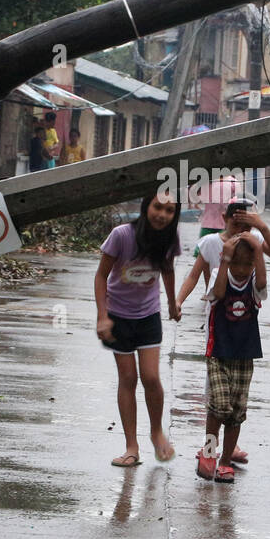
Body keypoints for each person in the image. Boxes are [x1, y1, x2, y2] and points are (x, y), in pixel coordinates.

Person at [175, 197, 270, 465]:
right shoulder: (213, 245)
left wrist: (260, 232)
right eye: (235, 218)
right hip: (217, 324)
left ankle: (225, 451)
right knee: (217, 400)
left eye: (245, 219)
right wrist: (178, 301)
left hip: (242, 342)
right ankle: (210, 450)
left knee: (234, 407)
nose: (239, 224)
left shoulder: (253, 243)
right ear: (224, 217)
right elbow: (195, 276)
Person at [95, 188, 183, 467]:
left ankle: (156, 432)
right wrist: (102, 316)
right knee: (128, 378)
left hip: (148, 315)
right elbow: (101, 275)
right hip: (118, 315)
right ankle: (131, 447)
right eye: (158, 207)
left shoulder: (169, 238)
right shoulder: (122, 235)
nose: (162, 215)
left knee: (151, 377)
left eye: (169, 211)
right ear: (147, 207)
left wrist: (172, 303)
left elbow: (167, 269)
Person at [197, 232, 266, 484]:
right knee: (219, 406)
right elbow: (219, 293)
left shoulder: (256, 283)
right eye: (235, 263)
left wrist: (258, 251)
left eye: (247, 264)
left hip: (244, 356)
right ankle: (208, 454)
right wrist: (225, 260)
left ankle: (225, 461)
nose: (241, 270)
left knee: (237, 412)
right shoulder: (219, 276)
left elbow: (261, 282)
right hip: (219, 354)